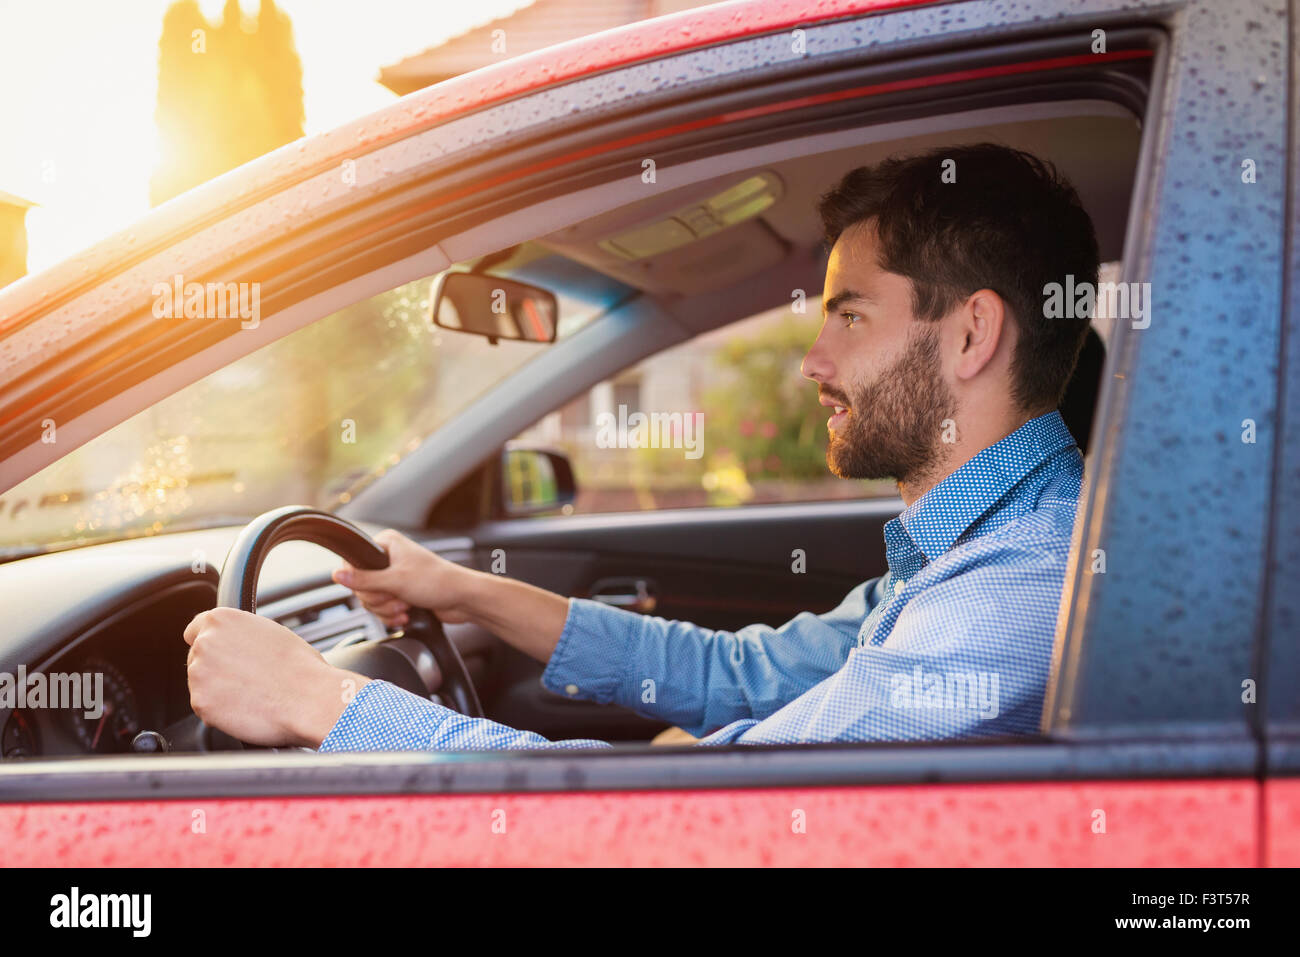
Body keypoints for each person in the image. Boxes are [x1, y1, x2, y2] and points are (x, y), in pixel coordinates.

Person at [182, 142, 1099, 752]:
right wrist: (461, 589)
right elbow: (744, 675)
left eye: (850, 316)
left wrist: (322, 702)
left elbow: (699, 823)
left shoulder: (1016, 591)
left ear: (973, 334)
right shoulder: (972, 545)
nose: (814, 363)